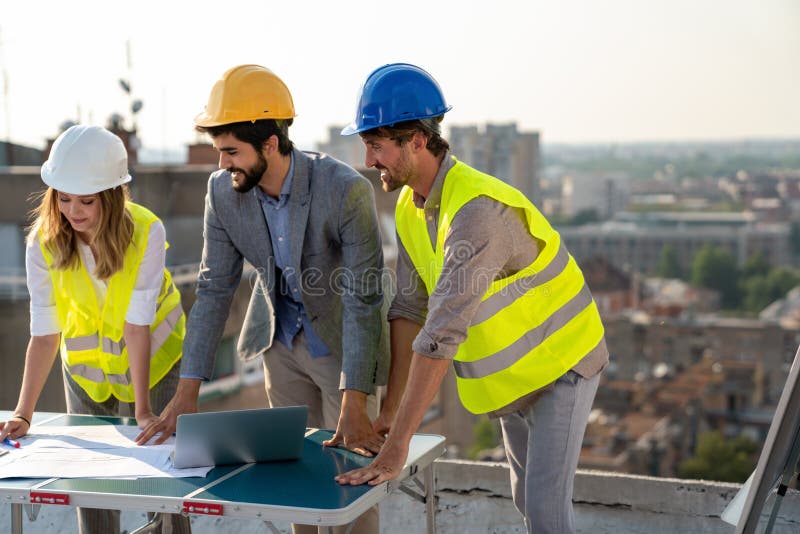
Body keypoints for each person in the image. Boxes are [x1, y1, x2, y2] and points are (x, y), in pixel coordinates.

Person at [334, 63, 610, 534]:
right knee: (527, 502)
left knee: (546, 513)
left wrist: (398, 445)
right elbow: (408, 310)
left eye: (376, 145)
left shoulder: (476, 213)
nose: (368, 159)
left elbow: (440, 332)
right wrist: (390, 415)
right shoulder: (408, 206)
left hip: (564, 364)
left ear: (417, 140)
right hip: (515, 378)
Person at [135, 64, 388, 534]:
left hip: (341, 345)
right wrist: (187, 392)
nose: (222, 164)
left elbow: (363, 298)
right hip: (278, 343)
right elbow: (214, 287)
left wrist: (357, 396)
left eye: (231, 151)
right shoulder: (223, 191)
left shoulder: (345, 189)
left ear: (270, 144)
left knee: (352, 481)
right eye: (219, 151)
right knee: (292, 474)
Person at [0, 124, 189, 534]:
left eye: (86, 200)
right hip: (85, 371)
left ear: (113, 196)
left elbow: (137, 327)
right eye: (63, 199)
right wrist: (23, 413)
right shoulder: (42, 244)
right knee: (91, 485)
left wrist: (142, 411)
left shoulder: (147, 231)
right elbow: (45, 333)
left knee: (167, 483)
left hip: (155, 359)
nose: (73, 210)